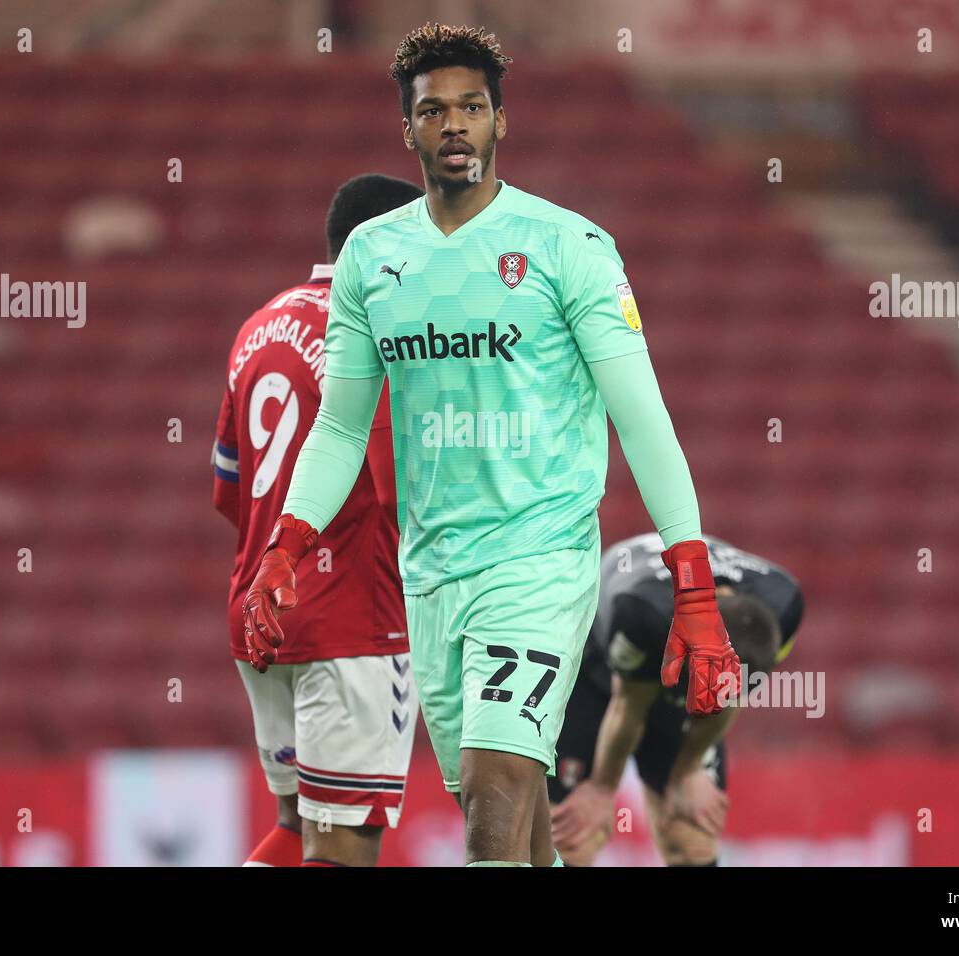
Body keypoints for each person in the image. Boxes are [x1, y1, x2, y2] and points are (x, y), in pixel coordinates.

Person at [242, 23, 741, 867]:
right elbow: (340, 423)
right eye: (432, 110)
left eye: (472, 107)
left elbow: (642, 416)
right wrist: (287, 548)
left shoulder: (569, 248)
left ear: (500, 121)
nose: (453, 125)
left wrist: (693, 585)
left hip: (538, 562)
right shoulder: (374, 256)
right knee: (510, 815)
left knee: (494, 801)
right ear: (408, 130)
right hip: (432, 574)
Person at [212, 174, 424, 867]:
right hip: (354, 622)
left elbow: (228, 491)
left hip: (261, 608)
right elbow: (402, 493)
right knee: (345, 845)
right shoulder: (380, 332)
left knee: (299, 825)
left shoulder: (258, 327)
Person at [550, 532, 804, 866]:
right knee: (574, 835)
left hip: (680, 658)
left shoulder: (783, 607)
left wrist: (687, 770)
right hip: (597, 673)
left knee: (690, 838)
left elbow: (732, 695)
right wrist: (601, 788)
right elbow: (628, 707)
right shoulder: (640, 610)